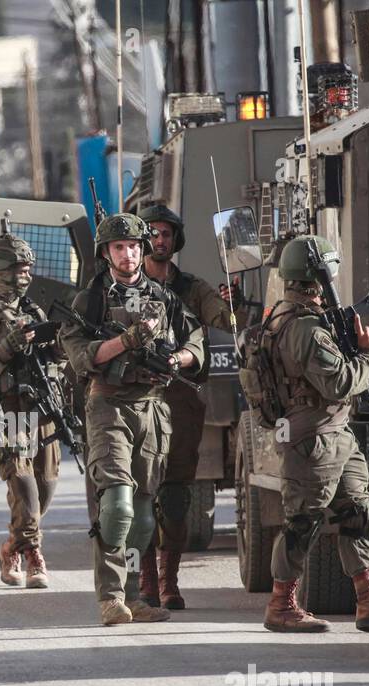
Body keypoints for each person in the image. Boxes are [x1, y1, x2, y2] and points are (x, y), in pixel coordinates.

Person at [262, 235, 369, 633]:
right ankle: (281, 604)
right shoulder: (303, 328)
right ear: (317, 277)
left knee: (357, 512)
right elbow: (339, 383)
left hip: (336, 435)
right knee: (303, 521)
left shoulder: (305, 320)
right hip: (314, 439)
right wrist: (367, 355)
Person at [57, 213, 206, 626]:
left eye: (136, 246)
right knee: (117, 507)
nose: (130, 253)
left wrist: (176, 357)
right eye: (120, 247)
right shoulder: (90, 300)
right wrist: (126, 340)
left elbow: (196, 341)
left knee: (143, 516)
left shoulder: (164, 297)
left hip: (153, 408)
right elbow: (81, 356)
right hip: (109, 407)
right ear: (106, 254)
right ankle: (109, 597)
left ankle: (136, 595)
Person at [137, 204, 234, 610]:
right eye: (154, 233)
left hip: (180, 400)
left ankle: (168, 581)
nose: (161, 240)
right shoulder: (123, 286)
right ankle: (143, 580)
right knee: (141, 491)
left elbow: (226, 321)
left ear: (177, 241)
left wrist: (230, 303)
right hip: (138, 400)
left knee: (175, 494)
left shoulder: (193, 288)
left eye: (167, 234)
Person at [0, 232, 59, 589]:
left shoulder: (35, 311)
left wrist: (57, 349)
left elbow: (55, 362)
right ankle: (32, 555)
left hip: (41, 411)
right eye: (17, 267)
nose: (24, 273)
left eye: (27, 267)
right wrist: (8, 346)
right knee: (24, 487)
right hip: (5, 413)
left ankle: (10, 546)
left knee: (45, 489)